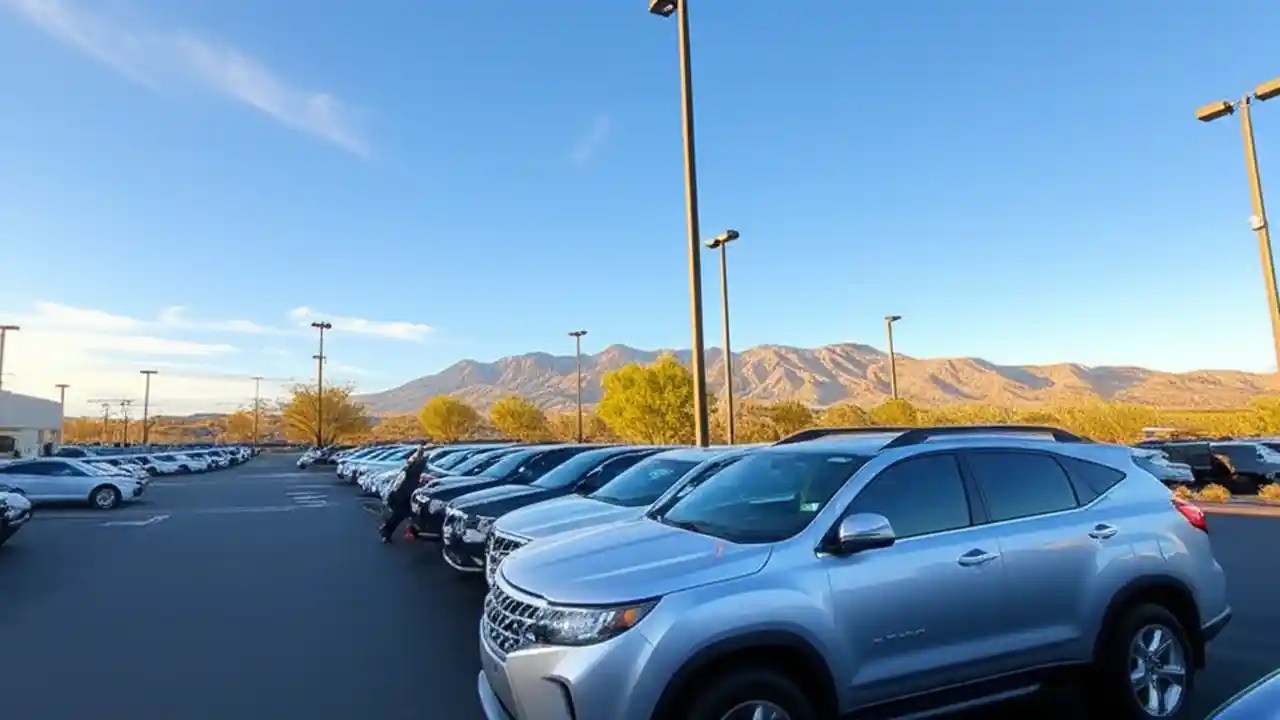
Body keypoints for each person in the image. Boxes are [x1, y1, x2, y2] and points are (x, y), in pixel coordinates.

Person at [379, 444, 429, 543]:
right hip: (406, 492)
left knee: (403, 514)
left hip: (405, 491)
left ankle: (389, 530)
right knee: (401, 514)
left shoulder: (412, 464)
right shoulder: (417, 465)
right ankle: (387, 530)